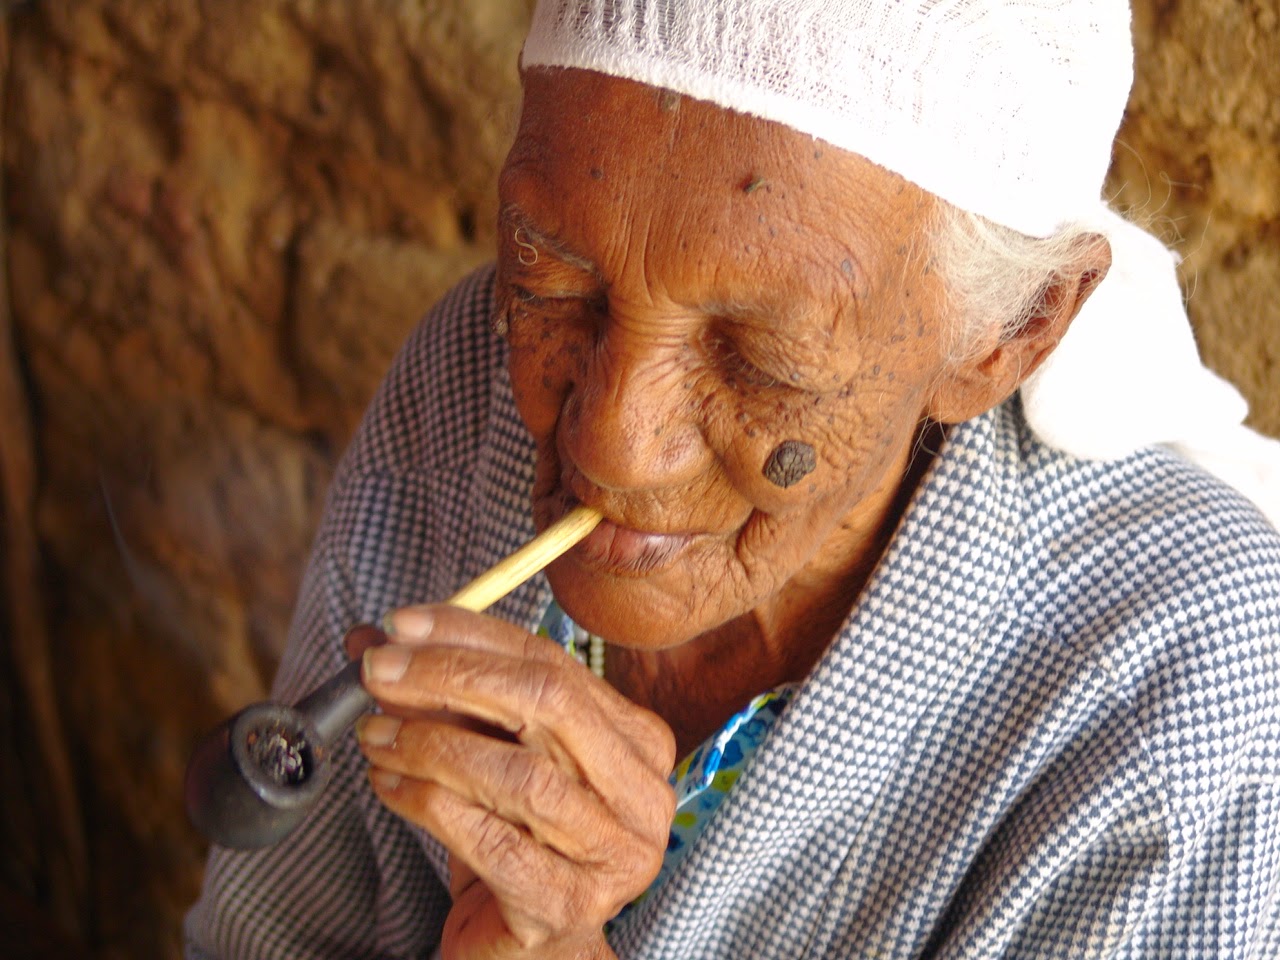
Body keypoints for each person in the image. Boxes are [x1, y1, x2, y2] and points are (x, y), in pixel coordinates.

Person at [186, 1, 1280, 957]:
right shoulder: (471, 377)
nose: (611, 442)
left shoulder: (1182, 699)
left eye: (761, 360)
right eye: (552, 281)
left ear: (1011, 333)